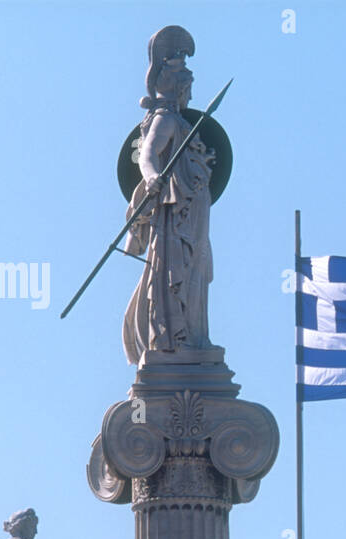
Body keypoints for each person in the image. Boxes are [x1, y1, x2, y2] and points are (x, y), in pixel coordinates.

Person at [122, 25, 215, 364]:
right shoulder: (166, 120)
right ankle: (174, 343)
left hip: (192, 218)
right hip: (174, 220)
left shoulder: (181, 123)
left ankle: (193, 341)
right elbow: (147, 154)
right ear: (178, 88)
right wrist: (152, 178)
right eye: (187, 86)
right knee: (175, 276)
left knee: (195, 276)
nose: (189, 94)